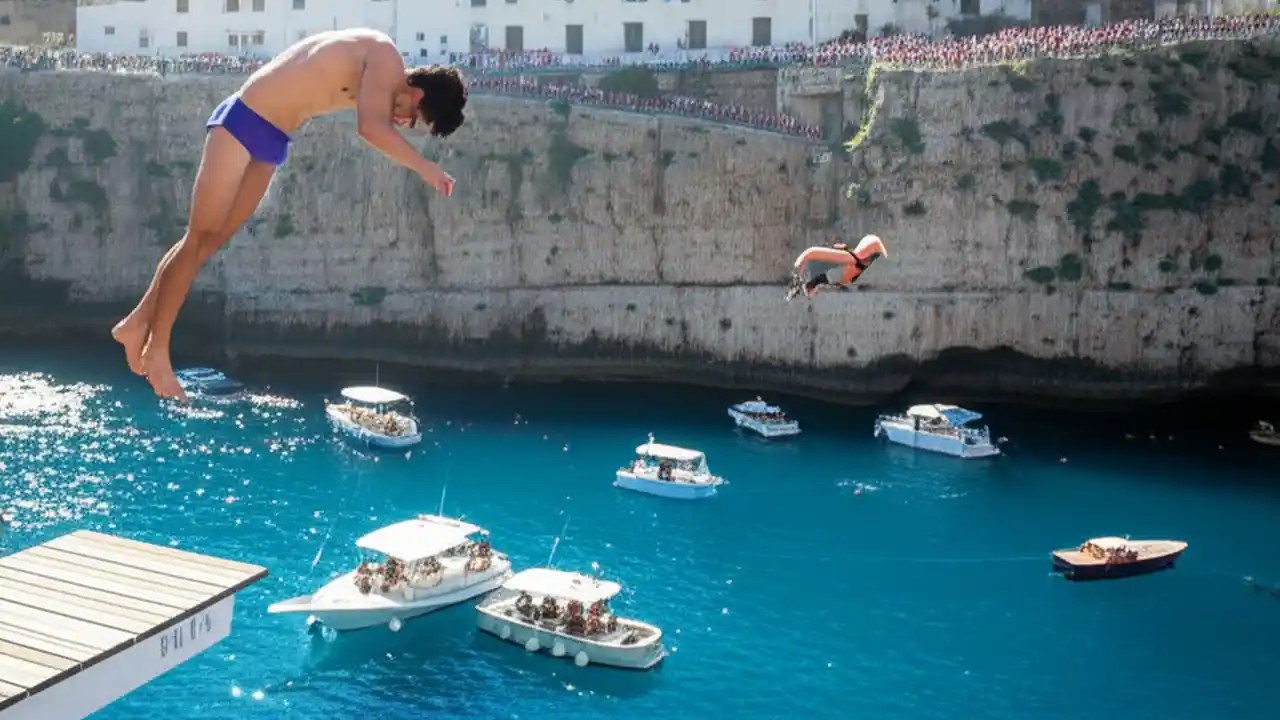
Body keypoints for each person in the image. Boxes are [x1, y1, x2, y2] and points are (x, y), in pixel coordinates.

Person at [111, 28, 467, 401]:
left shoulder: (379, 81)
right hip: (245, 119)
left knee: (210, 241)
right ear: (417, 94)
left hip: (273, 138)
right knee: (199, 237)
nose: (406, 123)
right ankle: (157, 350)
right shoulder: (384, 55)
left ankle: (136, 323)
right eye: (415, 117)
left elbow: (369, 115)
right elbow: (370, 128)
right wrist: (425, 168)